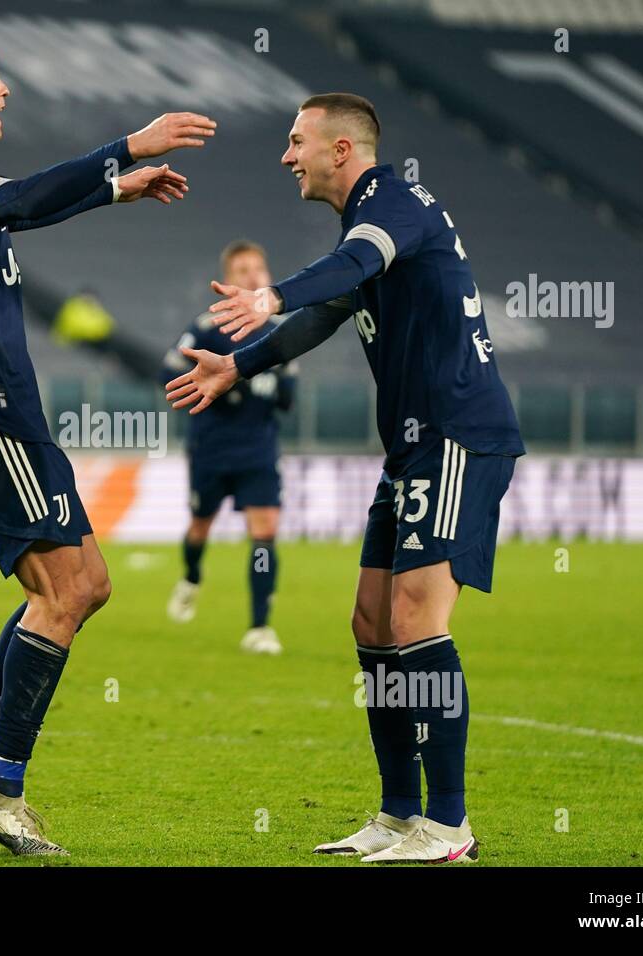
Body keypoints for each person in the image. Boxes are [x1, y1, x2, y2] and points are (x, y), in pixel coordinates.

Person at [166, 93, 524, 863]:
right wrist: (238, 363)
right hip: (411, 451)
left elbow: (351, 265)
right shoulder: (368, 221)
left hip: (459, 436)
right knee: (371, 623)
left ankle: (449, 824)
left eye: (297, 142)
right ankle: (398, 814)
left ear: (342, 150)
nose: (287, 156)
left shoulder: (393, 207)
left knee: (418, 620)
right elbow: (329, 310)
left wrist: (270, 293)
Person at [0, 32, 214, 855]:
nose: (7, 89)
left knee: (86, 583)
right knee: (66, 594)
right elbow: (24, 201)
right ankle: (1, 790)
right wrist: (127, 149)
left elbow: (20, 207)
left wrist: (114, 190)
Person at [162, 240, 296, 654]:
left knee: (265, 531)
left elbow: (287, 397)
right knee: (200, 524)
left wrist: (263, 383)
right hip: (212, 447)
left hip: (258, 448)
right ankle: (192, 576)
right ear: (227, 281)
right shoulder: (206, 328)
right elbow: (169, 372)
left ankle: (259, 626)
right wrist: (224, 388)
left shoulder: (283, 334)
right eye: (243, 270)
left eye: (259, 268)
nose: (253, 276)